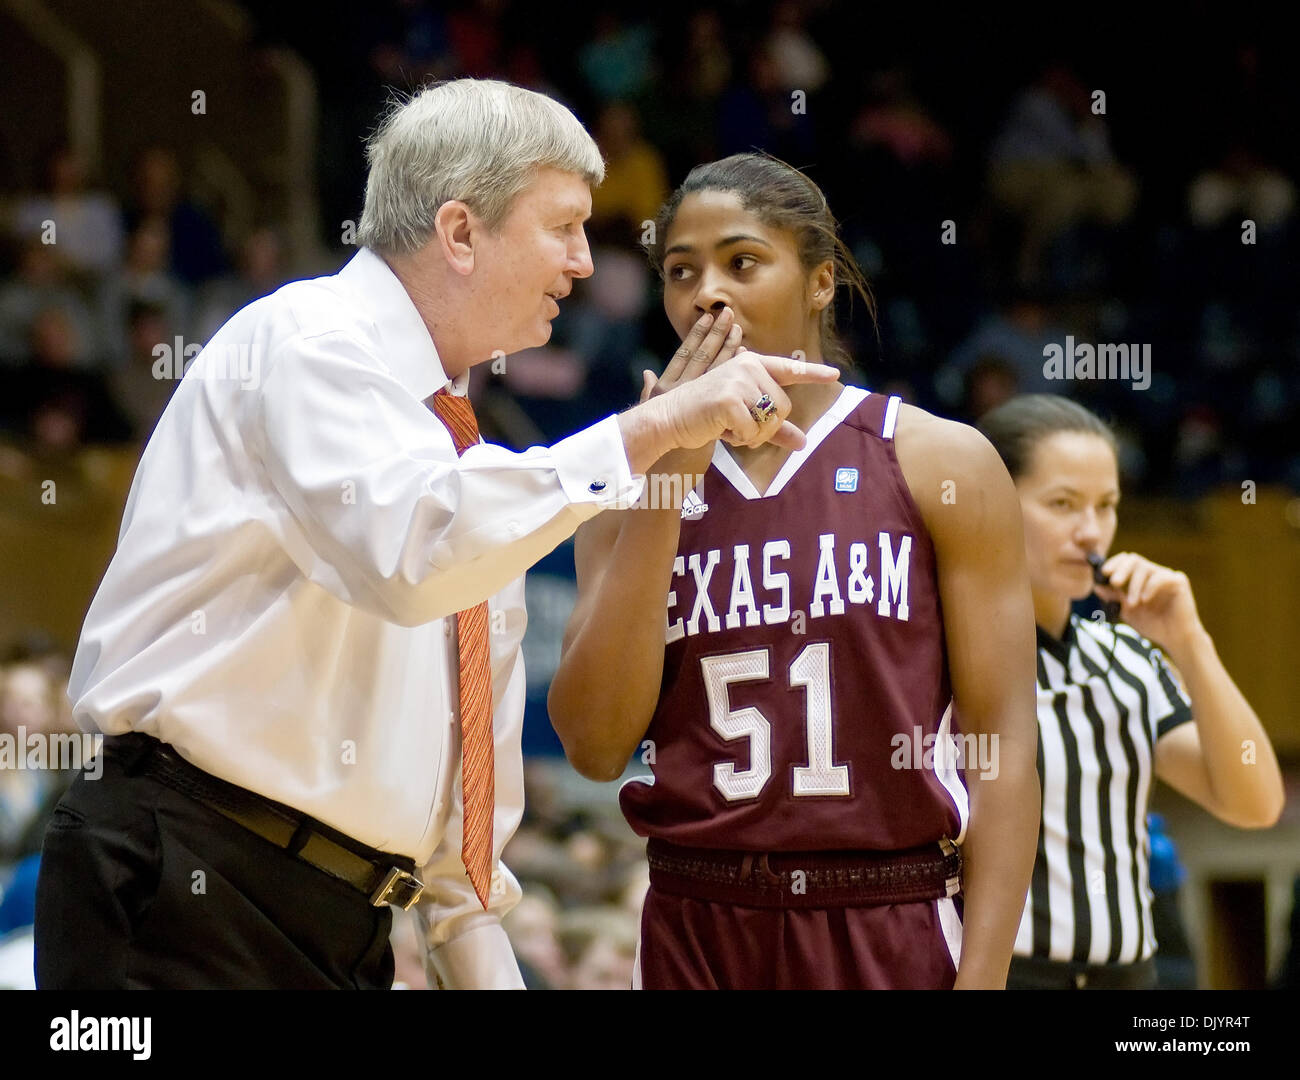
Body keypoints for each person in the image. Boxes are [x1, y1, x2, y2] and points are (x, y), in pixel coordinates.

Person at [33, 80, 838, 991]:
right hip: (179, 873)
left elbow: (462, 867)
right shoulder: (306, 342)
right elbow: (415, 554)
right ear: (460, 232)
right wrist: (653, 431)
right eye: (563, 226)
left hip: (348, 921)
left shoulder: (474, 470)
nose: (583, 262)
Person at [548, 153, 1042, 990]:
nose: (707, 292)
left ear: (819, 283)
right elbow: (595, 746)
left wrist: (985, 979)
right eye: (680, 271)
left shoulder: (937, 461)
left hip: (886, 909)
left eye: (742, 263)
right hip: (697, 919)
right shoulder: (623, 476)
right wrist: (672, 471)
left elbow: (1002, 750)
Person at [976, 394, 1284, 990]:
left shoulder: (1127, 658)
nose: (1091, 532)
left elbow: (1255, 804)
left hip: (1132, 979)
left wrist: (1188, 642)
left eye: (1106, 506)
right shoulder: (950, 658)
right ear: (992, 500)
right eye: (1063, 504)